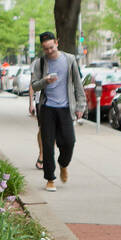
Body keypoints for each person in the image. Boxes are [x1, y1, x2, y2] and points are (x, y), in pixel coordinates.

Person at [28, 32, 86, 192]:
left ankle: (63, 164)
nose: (49, 51)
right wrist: (45, 81)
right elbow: (34, 85)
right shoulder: (40, 63)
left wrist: (81, 106)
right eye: (46, 49)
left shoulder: (69, 60)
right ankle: (50, 179)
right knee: (47, 144)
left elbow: (78, 84)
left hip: (65, 108)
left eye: (51, 47)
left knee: (69, 142)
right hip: (47, 108)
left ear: (57, 43)